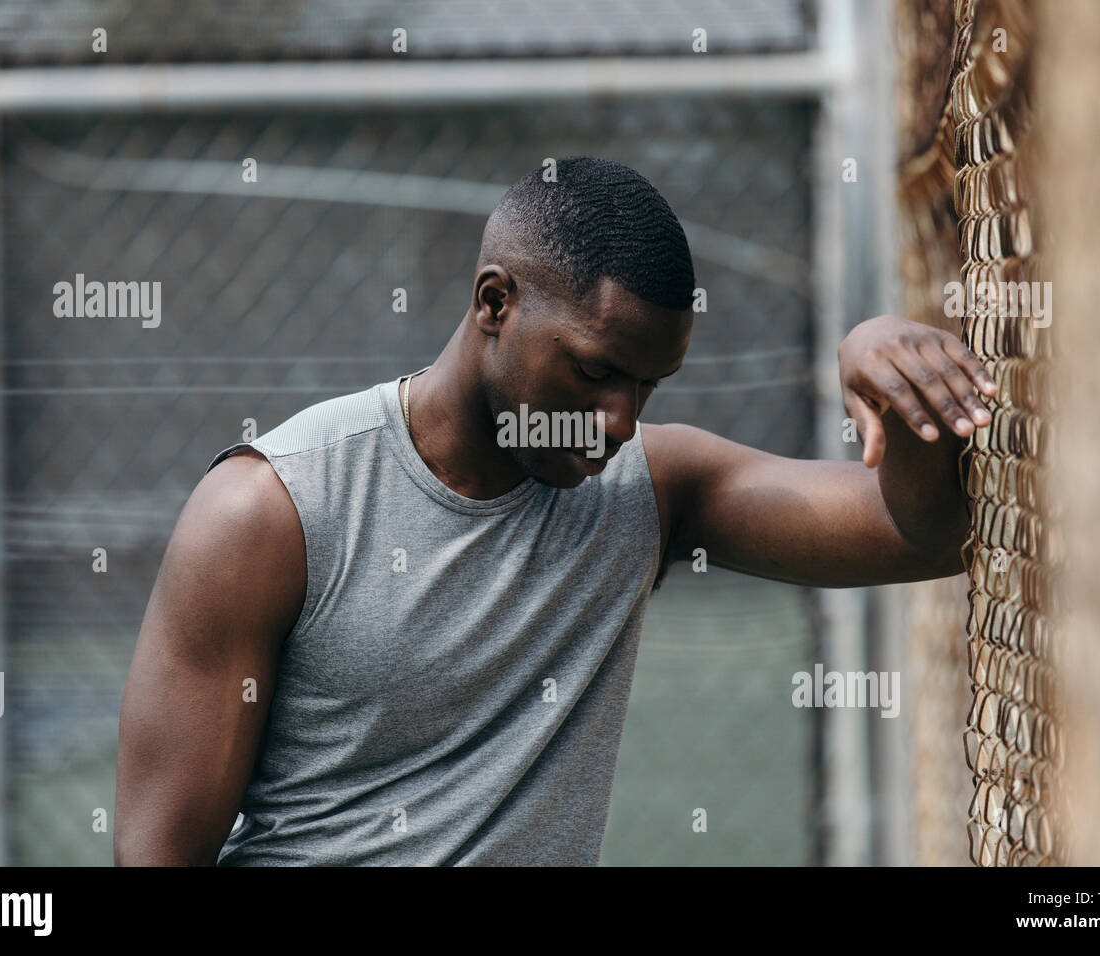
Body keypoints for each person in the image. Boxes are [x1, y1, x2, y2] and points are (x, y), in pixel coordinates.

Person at [114, 156, 995, 866]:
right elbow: (156, 856)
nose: (620, 421)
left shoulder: (649, 489)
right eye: (594, 371)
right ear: (495, 302)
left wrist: (879, 359)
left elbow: (922, 531)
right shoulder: (270, 512)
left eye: (648, 385)